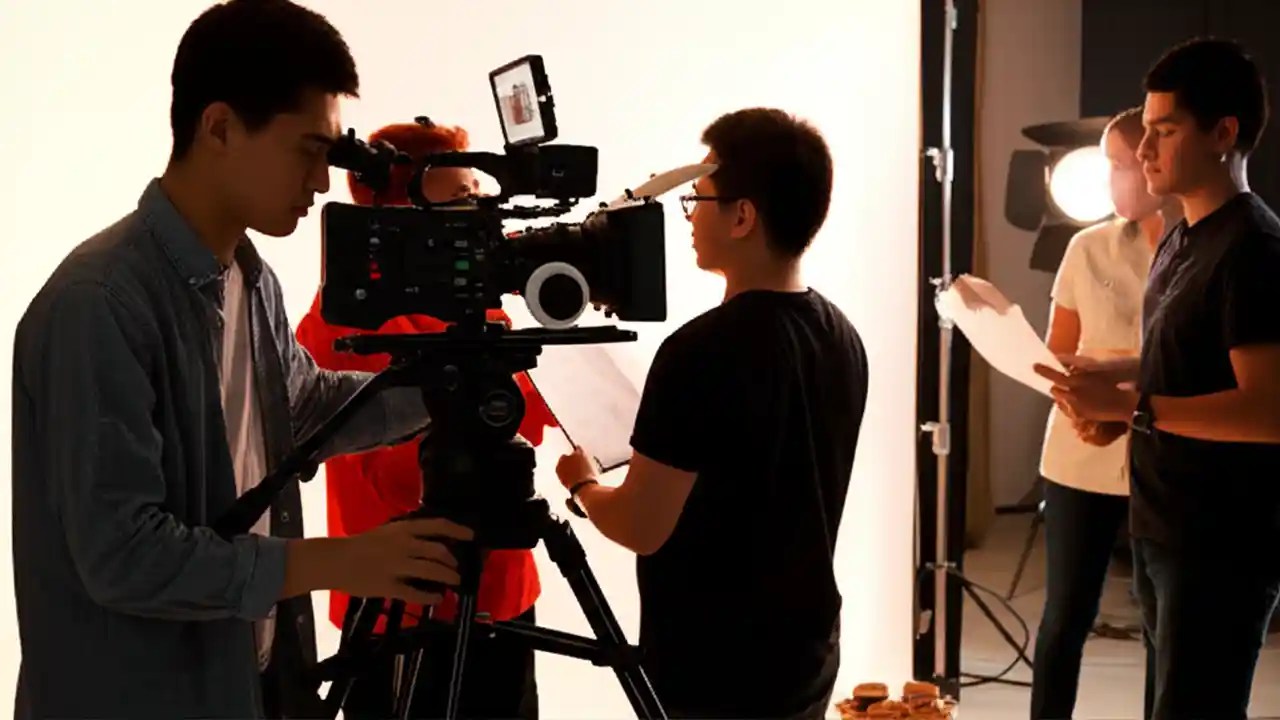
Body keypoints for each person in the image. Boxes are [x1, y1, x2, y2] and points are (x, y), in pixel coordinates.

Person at [9, 3, 474, 719]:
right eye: (308, 151)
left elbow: (301, 407)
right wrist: (337, 560)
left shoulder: (251, 278)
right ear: (220, 127)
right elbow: (123, 555)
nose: (322, 181)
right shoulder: (98, 304)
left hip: (243, 679)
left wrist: (449, 386)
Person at [554, 107, 869, 718]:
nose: (690, 216)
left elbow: (641, 526)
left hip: (715, 661)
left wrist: (583, 484)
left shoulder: (700, 351)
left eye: (697, 199)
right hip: (806, 647)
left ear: (742, 216)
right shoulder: (840, 333)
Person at [1036, 38, 1280, 720]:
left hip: (1220, 542)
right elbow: (1184, 361)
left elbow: (1267, 411)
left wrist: (1133, 409)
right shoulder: (1183, 235)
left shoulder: (1253, 251)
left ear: (1223, 134)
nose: (1144, 151)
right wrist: (1103, 377)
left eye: (1164, 132)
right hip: (1162, 522)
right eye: (1145, 132)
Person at [295, 117, 557, 719]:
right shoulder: (348, 321)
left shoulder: (472, 304)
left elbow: (525, 426)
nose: (481, 215)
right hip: (401, 601)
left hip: (502, 592)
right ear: (396, 212)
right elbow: (401, 471)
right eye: (463, 198)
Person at [1029, 106, 1178, 720]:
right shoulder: (1086, 246)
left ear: (1155, 162)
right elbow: (1056, 354)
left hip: (1166, 450)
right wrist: (1076, 388)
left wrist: (1123, 378)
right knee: (1065, 614)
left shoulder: (1200, 250)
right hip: (1081, 453)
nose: (1111, 179)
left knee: (1163, 622)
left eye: (1119, 165)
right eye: (1109, 164)